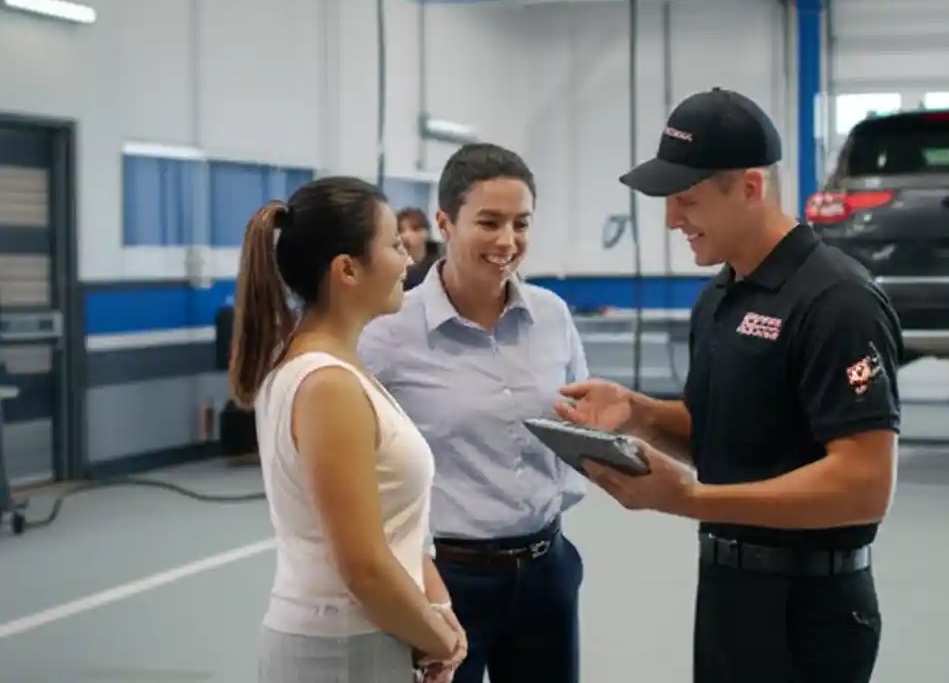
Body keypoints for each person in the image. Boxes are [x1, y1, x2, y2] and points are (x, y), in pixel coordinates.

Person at [555, 87, 903, 683]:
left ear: (749, 188)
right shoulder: (720, 298)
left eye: (686, 200)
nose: (671, 220)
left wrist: (690, 500)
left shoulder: (837, 301)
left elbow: (863, 484)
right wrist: (637, 412)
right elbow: (726, 434)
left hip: (810, 606)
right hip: (728, 593)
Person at [357, 143, 590, 683]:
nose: (508, 241)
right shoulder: (388, 331)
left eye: (521, 223)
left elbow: (578, 426)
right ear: (445, 221)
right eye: (489, 222)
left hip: (546, 569)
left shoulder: (552, 317)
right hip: (442, 580)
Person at [227, 177, 466, 683]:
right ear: (348, 269)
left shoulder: (337, 370)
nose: (408, 260)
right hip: (343, 651)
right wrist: (439, 639)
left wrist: (439, 609)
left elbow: (394, 530)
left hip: (364, 639)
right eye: (396, 245)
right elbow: (363, 565)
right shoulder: (328, 387)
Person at [398, 207, 444, 291]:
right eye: (401, 230)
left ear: (426, 233)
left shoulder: (439, 266)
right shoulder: (393, 266)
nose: (406, 235)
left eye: (415, 229)